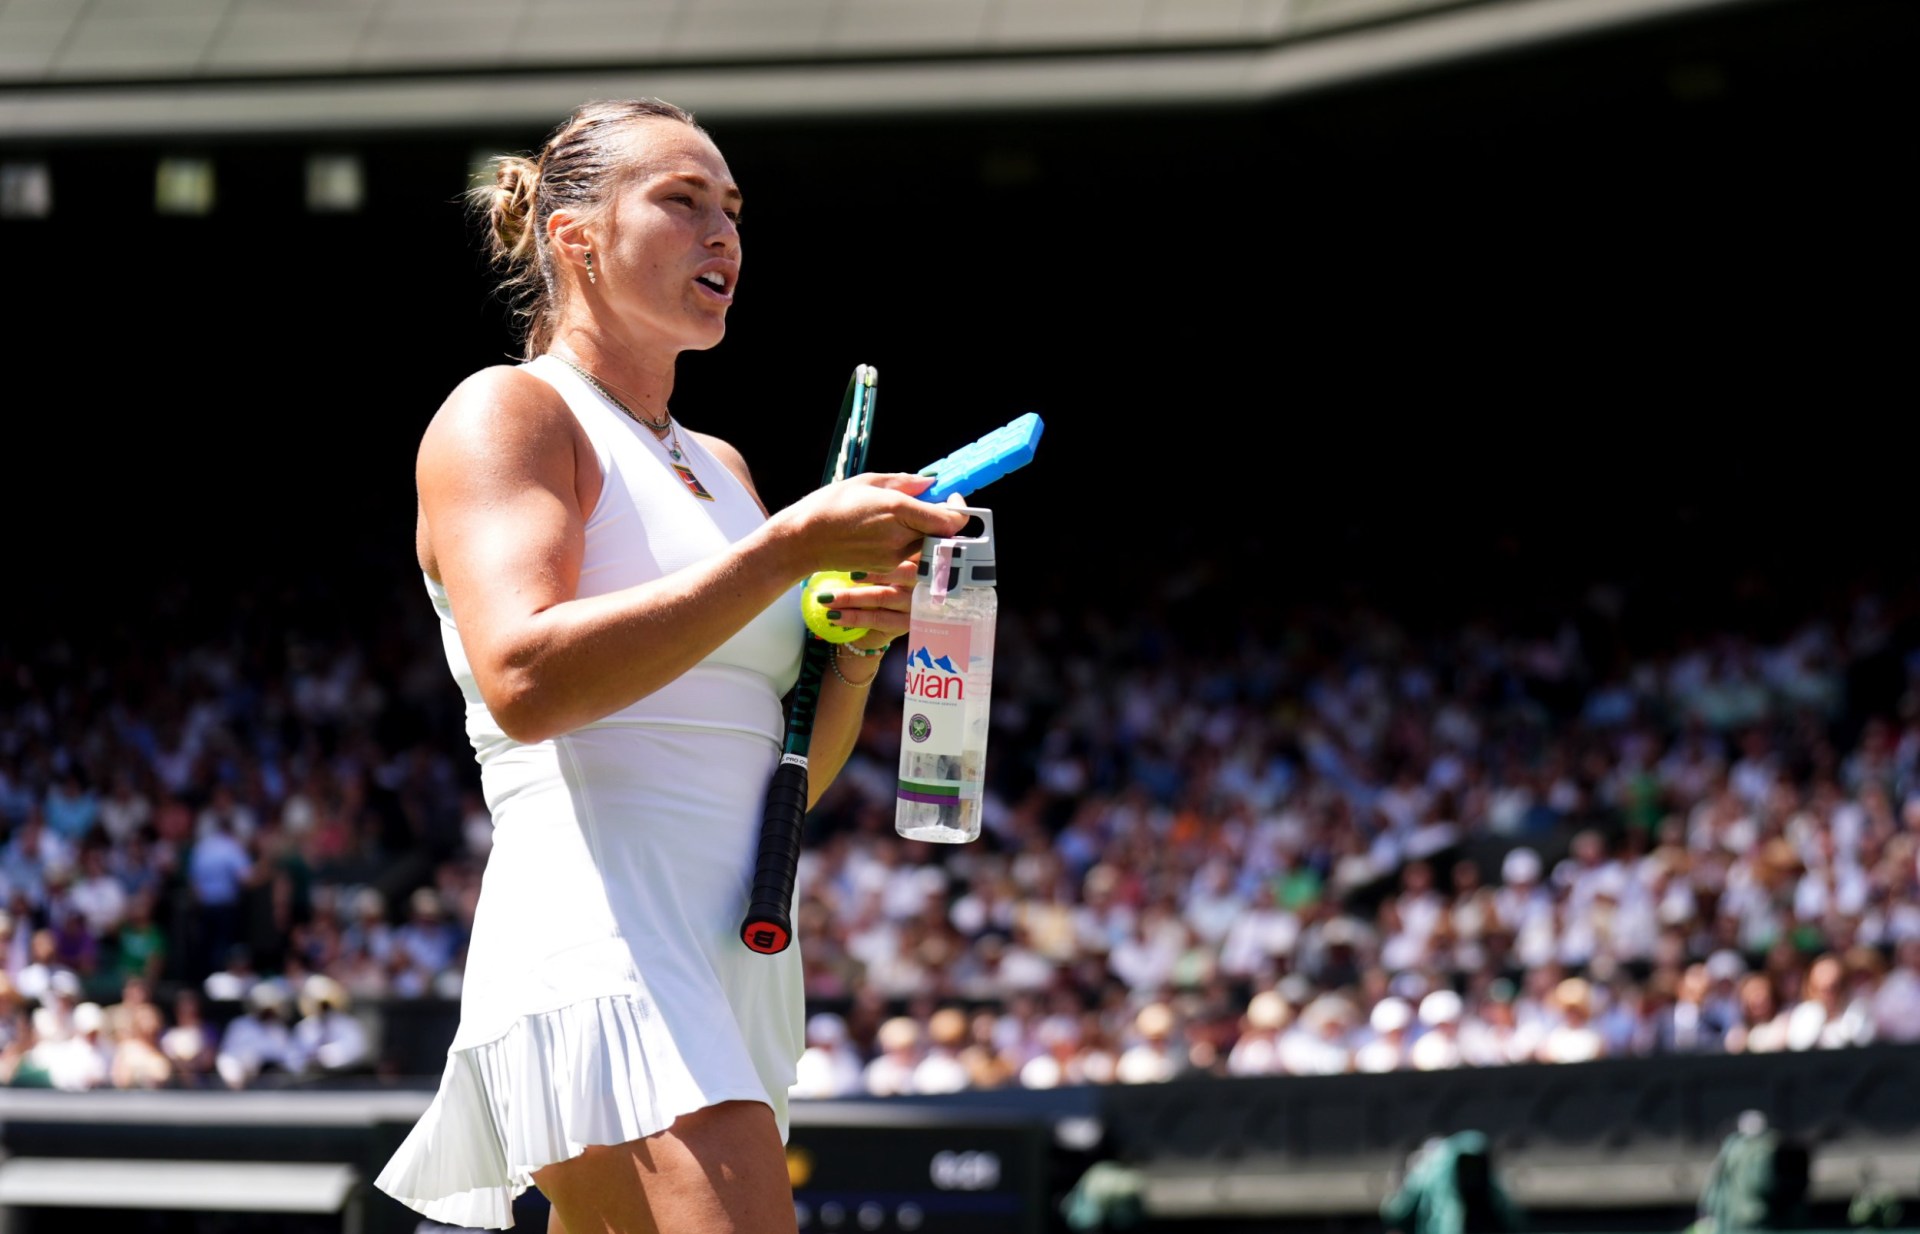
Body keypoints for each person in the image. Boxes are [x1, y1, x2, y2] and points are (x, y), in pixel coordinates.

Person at [373, 97, 968, 1234]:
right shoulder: (507, 412)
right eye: (683, 202)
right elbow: (525, 679)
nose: (723, 234)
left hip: (731, 955)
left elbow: (782, 774)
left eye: (733, 209)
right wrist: (786, 550)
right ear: (576, 239)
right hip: (602, 941)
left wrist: (854, 651)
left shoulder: (724, 468)